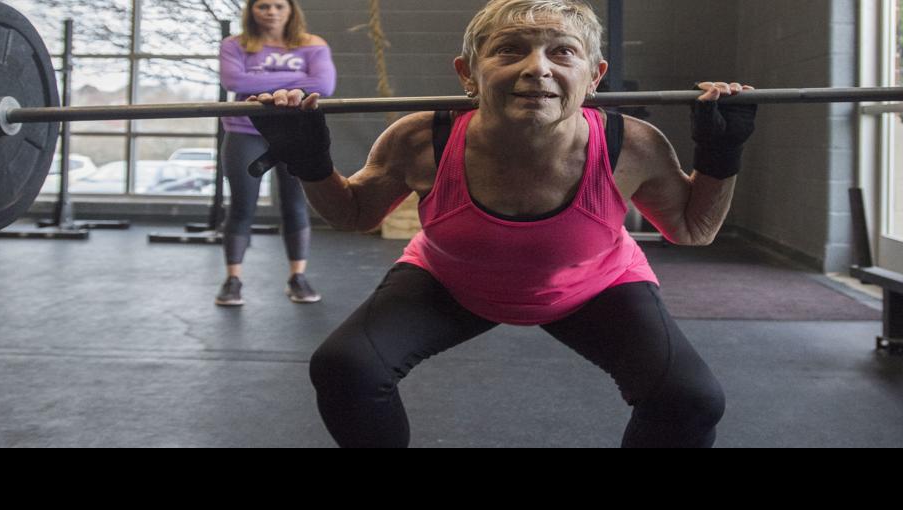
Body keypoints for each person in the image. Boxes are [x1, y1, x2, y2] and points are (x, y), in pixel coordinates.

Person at [244, 0, 756, 448]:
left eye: (562, 52)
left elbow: (693, 229)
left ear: (595, 76)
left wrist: (721, 155)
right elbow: (353, 214)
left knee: (689, 400)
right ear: (468, 73)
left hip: (593, 285)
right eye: (509, 50)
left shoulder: (633, 144)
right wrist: (309, 161)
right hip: (451, 281)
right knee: (345, 367)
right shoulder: (423, 137)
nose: (537, 68)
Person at [216, 0, 335, 307]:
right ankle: (233, 280)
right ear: (252, 11)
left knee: (295, 204)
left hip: (294, 131)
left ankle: (298, 277)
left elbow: (324, 84)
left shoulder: (312, 44)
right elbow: (233, 81)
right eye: (263, 6)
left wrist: (260, 83)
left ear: (291, 10)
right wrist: (297, 83)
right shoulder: (235, 44)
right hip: (244, 131)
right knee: (241, 206)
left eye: (278, 5)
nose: (271, 11)